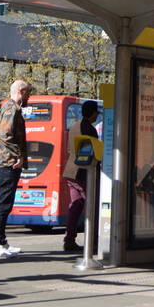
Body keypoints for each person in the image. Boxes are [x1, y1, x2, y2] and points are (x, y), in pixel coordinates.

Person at [0, 79, 30, 259]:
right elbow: (5, 135)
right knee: (4, 204)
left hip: (4, 162)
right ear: (20, 91)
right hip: (8, 163)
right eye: (28, 93)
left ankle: (2, 242)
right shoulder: (11, 109)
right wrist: (19, 155)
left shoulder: (7, 107)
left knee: (6, 203)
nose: (29, 97)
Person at [62, 100, 99, 254]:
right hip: (83, 172)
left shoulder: (75, 126)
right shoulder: (89, 129)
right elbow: (93, 152)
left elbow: (70, 149)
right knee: (93, 206)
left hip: (70, 171)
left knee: (75, 206)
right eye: (96, 112)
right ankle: (94, 242)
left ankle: (69, 240)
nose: (97, 114)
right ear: (92, 113)